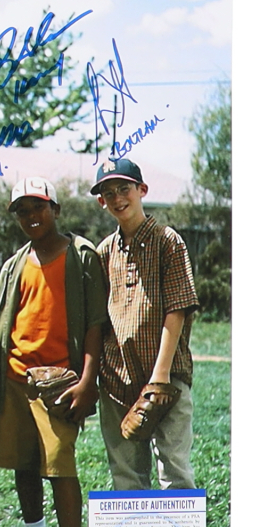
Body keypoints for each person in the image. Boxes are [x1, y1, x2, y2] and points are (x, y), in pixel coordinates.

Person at [0, 177, 107, 527]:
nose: (31, 216)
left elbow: (95, 323)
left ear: (55, 209)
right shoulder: (15, 264)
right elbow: (3, 326)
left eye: (39, 207)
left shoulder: (81, 255)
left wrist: (87, 381)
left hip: (60, 384)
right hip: (16, 379)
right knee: (24, 465)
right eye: (22, 210)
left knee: (59, 466)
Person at [92, 159, 199, 491]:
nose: (118, 198)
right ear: (101, 201)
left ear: (142, 190)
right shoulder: (104, 251)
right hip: (117, 378)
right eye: (109, 193)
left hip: (166, 375)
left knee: (175, 469)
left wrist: (160, 377)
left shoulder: (168, 241)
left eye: (124, 188)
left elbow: (177, 309)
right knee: (126, 475)